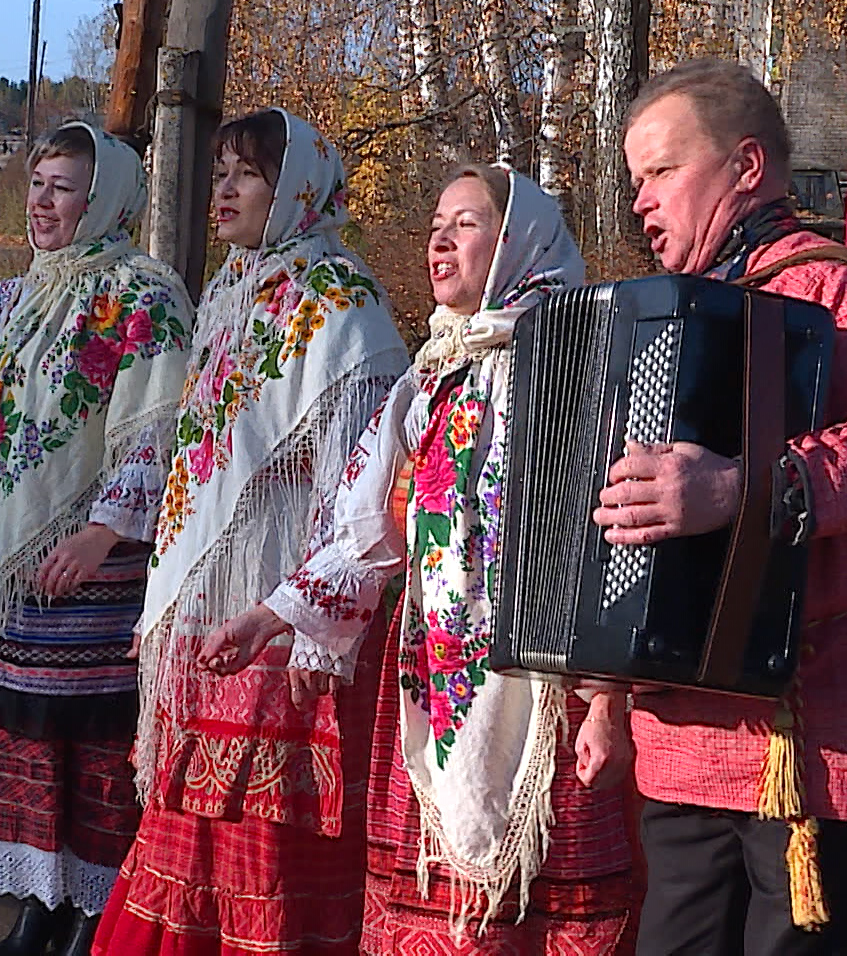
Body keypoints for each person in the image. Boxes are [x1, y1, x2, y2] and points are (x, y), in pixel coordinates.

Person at [204, 165, 644, 953]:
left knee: (546, 910)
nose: (440, 238)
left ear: (518, 242)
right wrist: (270, 617)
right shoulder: (432, 374)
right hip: (439, 676)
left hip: (550, 696)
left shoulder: (580, 359)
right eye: (437, 223)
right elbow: (367, 527)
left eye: (467, 223)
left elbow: (610, 536)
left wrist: (608, 699)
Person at [592, 57, 847, 955]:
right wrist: (602, 690)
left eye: (663, 172)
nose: (642, 202)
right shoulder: (652, 318)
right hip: (682, 729)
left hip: (814, 729)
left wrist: (741, 488)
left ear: (747, 168)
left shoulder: (834, 284)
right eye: (637, 180)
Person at [91, 109, 410, 956]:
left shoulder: (342, 302)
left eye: (247, 174)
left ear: (297, 187)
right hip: (207, 605)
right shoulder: (233, 292)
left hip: (280, 615)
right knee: (183, 820)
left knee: (259, 838)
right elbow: (200, 465)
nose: (223, 189)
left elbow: (359, 485)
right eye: (220, 170)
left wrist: (299, 619)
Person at [0, 124, 195, 956]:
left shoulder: (146, 294)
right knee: (22, 739)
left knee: (91, 745)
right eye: (38, 184)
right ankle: (39, 903)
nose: (43, 202)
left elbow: (157, 430)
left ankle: (95, 907)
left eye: (63, 187)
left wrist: (102, 534)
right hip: (7, 567)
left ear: (104, 199)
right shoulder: (10, 300)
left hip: (96, 568)